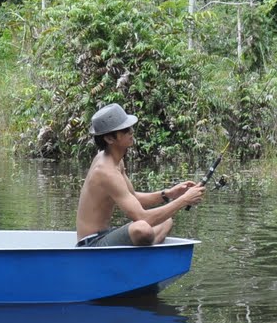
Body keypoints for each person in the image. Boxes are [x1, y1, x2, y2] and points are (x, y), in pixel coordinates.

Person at [75, 102, 204, 247]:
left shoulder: (116, 161)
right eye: (125, 130)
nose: (131, 132)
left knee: (166, 221)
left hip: (106, 234)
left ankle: (139, 256)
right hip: (91, 244)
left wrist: (169, 194)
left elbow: (133, 197)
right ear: (109, 139)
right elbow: (142, 217)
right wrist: (184, 200)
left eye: (130, 128)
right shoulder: (105, 171)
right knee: (142, 228)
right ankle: (142, 257)